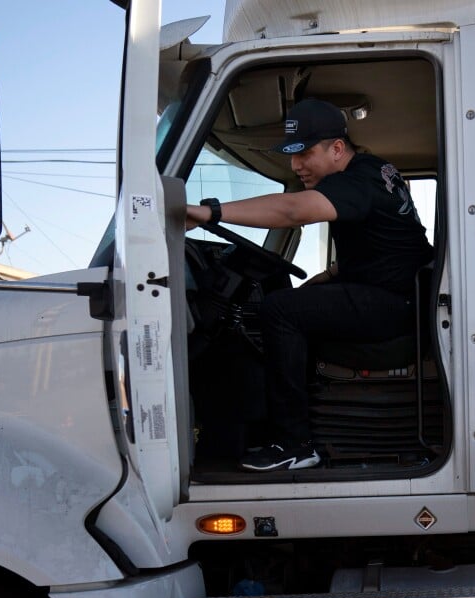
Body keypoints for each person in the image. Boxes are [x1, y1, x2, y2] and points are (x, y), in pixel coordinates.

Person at [185, 98, 433, 471]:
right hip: (400, 295)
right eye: (292, 155)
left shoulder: (357, 181)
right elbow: (379, 251)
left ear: (337, 149)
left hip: (395, 303)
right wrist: (322, 280)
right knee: (293, 303)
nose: (296, 165)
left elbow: (292, 210)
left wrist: (209, 213)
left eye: (304, 153)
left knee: (278, 309)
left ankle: (294, 444)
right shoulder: (371, 173)